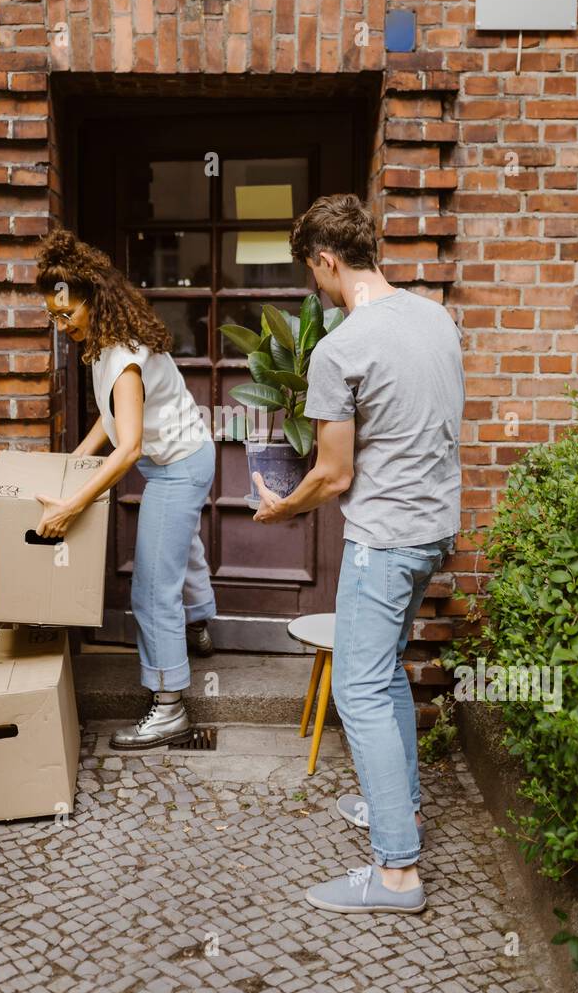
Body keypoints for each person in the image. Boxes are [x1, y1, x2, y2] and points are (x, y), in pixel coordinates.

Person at [252, 194, 465, 915]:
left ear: (326, 261)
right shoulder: (435, 319)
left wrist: (283, 507)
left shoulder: (340, 348)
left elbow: (335, 474)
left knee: (359, 689)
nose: (317, 290)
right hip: (434, 530)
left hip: (384, 540)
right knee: (388, 676)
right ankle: (394, 806)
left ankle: (397, 872)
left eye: (314, 275)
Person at [33, 229, 217, 750]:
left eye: (67, 314)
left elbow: (129, 447)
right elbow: (109, 421)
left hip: (176, 464)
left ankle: (169, 707)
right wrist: (72, 463)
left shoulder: (122, 359)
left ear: (93, 300)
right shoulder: (103, 343)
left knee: (152, 586)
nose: (61, 324)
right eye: (54, 316)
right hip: (185, 455)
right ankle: (200, 624)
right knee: (184, 551)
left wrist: (72, 503)